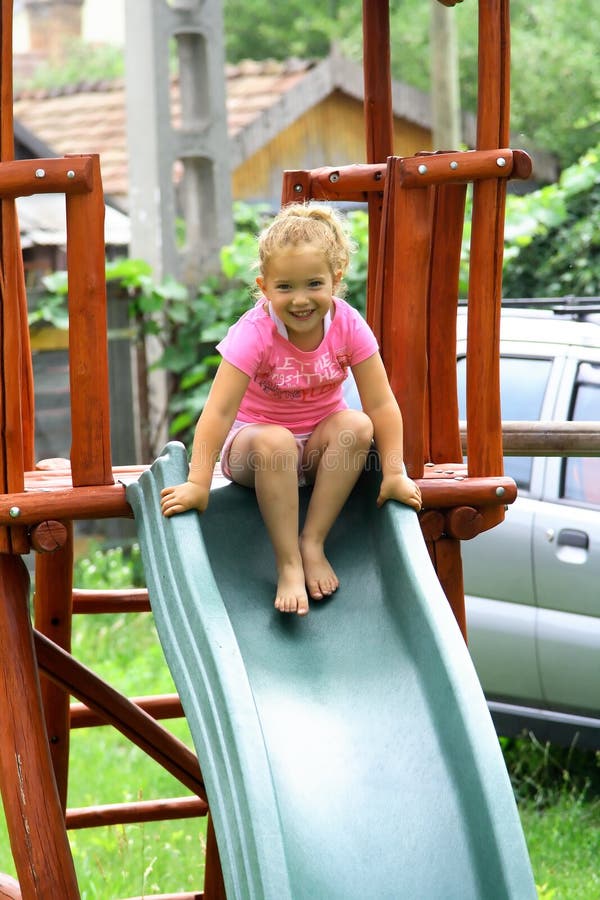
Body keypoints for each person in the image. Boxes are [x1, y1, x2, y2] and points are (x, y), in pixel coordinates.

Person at [160, 202, 422, 616]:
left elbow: (380, 403)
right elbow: (219, 411)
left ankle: (312, 541)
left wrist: (394, 472)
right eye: (285, 287)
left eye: (313, 284)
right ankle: (288, 563)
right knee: (278, 442)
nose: (300, 300)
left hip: (318, 450)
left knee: (356, 424)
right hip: (255, 449)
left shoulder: (349, 324)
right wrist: (198, 482)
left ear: (335, 281)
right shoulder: (255, 333)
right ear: (264, 287)